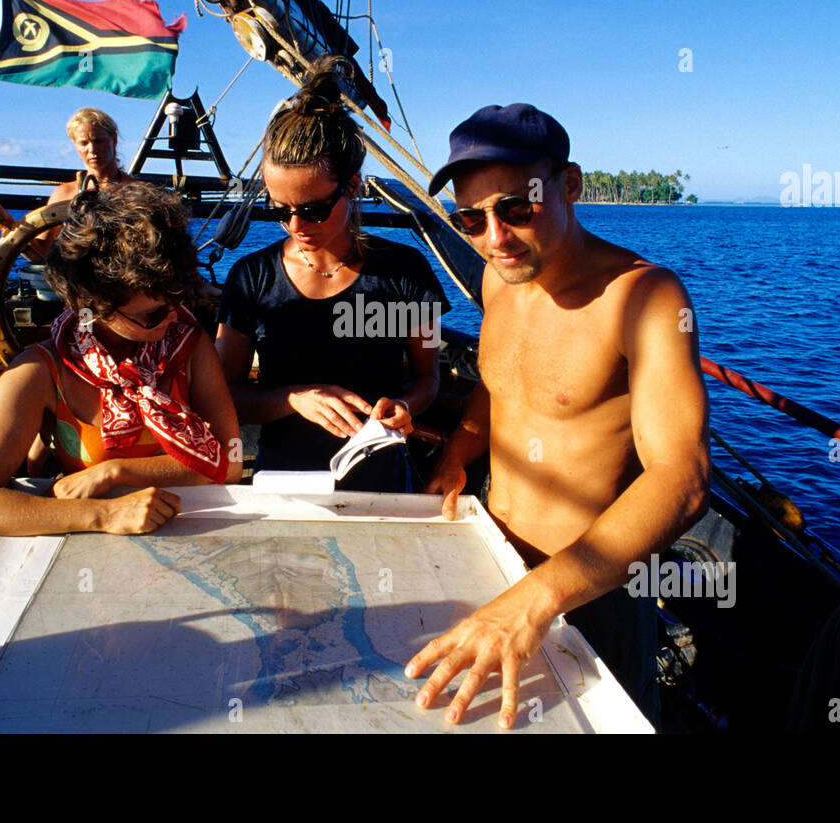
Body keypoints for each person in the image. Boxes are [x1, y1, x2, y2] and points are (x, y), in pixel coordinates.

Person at [405, 104, 710, 729]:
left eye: (517, 208)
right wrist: (458, 455)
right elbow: (501, 386)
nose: (495, 237)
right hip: (491, 554)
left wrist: (536, 599)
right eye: (471, 218)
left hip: (588, 594)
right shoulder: (501, 281)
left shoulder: (645, 297)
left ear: (569, 185)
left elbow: (682, 477)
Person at [0, 182, 243, 536]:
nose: (173, 318)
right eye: (152, 315)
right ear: (94, 305)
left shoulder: (189, 345)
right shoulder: (39, 372)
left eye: (178, 300)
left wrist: (114, 471)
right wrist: (103, 515)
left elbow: (233, 461)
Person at [214, 57, 448, 492]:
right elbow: (225, 395)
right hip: (284, 484)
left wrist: (404, 404)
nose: (296, 226)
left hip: (381, 480)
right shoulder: (251, 279)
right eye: (279, 211)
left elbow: (428, 377)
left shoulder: (405, 273)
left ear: (354, 185)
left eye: (314, 210)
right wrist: (294, 399)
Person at [0, 107, 135, 261]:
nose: (92, 149)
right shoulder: (64, 194)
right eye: (84, 143)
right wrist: (3, 220)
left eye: (98, 141)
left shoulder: (138, 192)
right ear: (75, 145)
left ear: (113, 140)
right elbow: (41, 254)